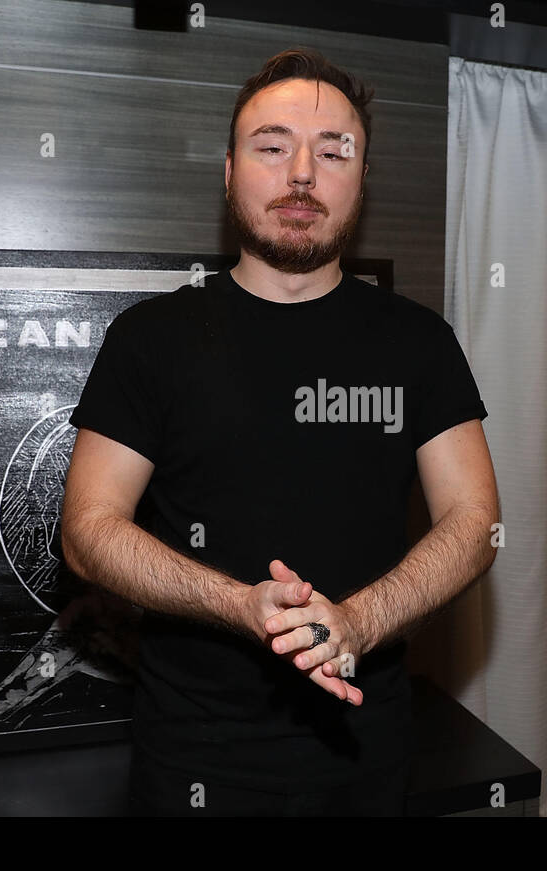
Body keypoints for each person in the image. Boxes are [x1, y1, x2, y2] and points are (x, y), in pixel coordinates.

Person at [61, 47, 499, 816]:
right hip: (193, 762)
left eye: (334, 152)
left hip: (366, 757)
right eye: (273, 147)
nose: (303, 173)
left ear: (361, 183)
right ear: (230, 172)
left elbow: (475, 520)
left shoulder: (420, 342)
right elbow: (88, 531)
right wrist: (238, 606)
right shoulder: (150, 339)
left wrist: (359, 620)